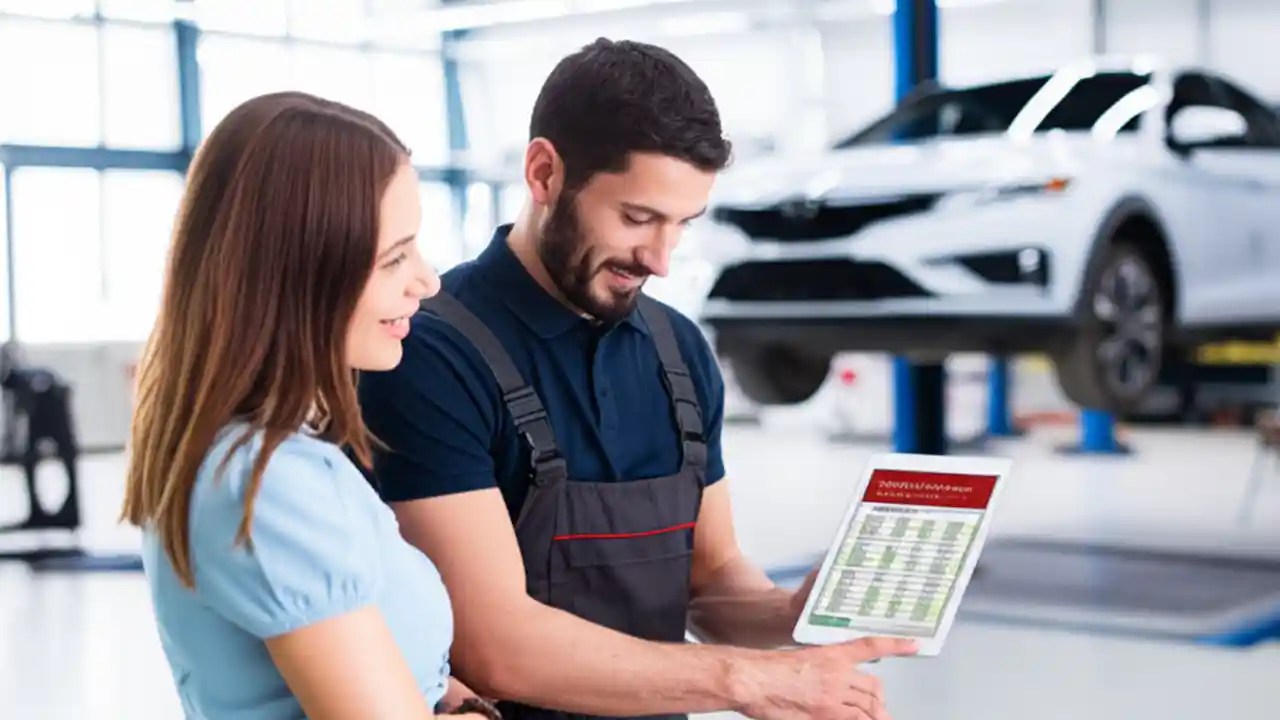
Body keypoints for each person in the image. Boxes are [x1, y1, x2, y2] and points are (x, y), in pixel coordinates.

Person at [358, 38, 916, 720]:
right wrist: (753, 681)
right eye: (636, 217)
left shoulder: (678, 349)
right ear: (543, 174)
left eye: (681, 225)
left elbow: (709, 578)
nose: (659, 258)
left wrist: (791, 613)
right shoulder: (428, 355)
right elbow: (491, 646)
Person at [120, 91, 494, 719]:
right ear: (300, 274)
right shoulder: (265, 482)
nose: (427, 281)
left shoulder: (261, 454)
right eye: (394, 257)